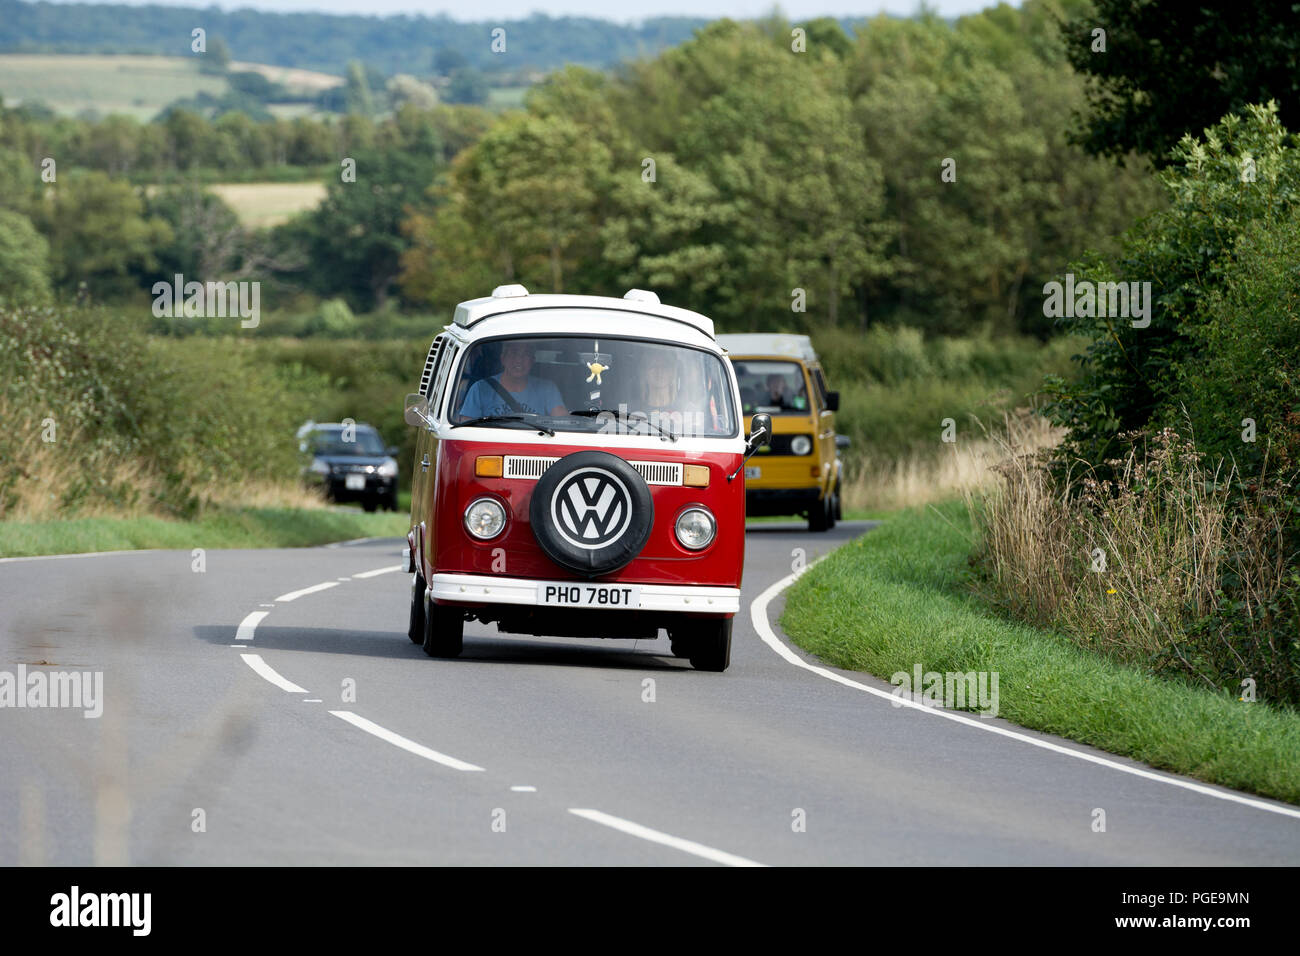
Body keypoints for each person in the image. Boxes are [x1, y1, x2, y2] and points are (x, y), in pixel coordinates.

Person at [458, 340, 567, 419]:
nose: (519, 360)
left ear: (532, 361)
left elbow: (562, 420)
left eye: (526, 354)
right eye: (514, 353)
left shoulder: (547, 388)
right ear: (503, 359)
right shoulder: (480, 389)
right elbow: (466, 430)